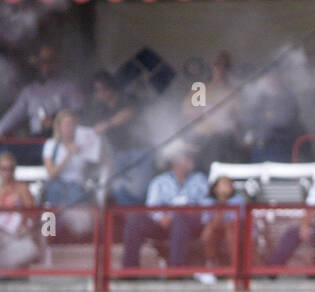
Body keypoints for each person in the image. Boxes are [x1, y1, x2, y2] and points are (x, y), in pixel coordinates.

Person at [121, 142, 208, 272]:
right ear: (175, 160)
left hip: (190, 223)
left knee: (180, 218)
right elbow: (152, 207)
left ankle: (175, 271)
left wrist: (176, 215)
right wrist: (161, 218)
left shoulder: (199, 179)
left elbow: (205, 204)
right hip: (162, 225)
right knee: (135, 219)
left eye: (191, 156)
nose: (190, 159)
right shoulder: (159, 181)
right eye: (186, 156)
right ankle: (129, 270)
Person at [0, 44, 83, 164]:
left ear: (57, 64)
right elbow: (13, 115)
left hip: (59, 140)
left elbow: (79, 113)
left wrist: (56, 121)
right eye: (43, 63)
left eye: (50, 63)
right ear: (38, 66)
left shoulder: (68, 88)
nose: (47, 66)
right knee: (6, 152)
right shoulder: (29, 91)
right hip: (36, 141)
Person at [85, 70, 150, 204]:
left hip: (140, 152)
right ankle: (131, 222)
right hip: (117, 155)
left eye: (102, 89)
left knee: (139, 191)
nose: (99, 94)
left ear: (111, 88)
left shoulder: (128, 98)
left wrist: (107, 124)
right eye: (97, 91)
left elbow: (128, 113)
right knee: (119, 189)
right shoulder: (99, 109)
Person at [181, 50, 241, 170]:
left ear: (229, 69)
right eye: (217, 64)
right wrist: (207, 110)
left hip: (224, 140)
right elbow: (187, 111)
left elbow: (238, 116)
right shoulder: (201, 89)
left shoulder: (234, 91)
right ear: (212, 66)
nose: (221, 68)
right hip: (201, 139)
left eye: (225, 65)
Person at [240, 67, 303, 164]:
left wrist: (273, 116)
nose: (273, 79)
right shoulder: (259, 97)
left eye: (276, 76)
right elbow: (251, 119)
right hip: (260, 147)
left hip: (281, 146)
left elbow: (288, 120)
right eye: (270, 76)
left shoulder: (288, 97)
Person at [41, 109, 101, 207]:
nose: (69, 128)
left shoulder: (84, 143)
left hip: (78, 185)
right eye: (66, 125)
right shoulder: (51, 145)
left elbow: (95, 167)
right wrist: (68, 154)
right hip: (57, 185)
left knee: (76, 195)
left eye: (72, 124)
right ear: (59, 127)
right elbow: (51, 174)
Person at [0, 150, 39, 270]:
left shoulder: (22, 188)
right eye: (4, 168)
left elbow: (32, 214)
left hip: (17, 234)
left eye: (11, 168)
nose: (8, 172)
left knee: (28, 248)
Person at [199, 174, 245, 270]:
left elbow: (236, 221)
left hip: (234, 230)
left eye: (229, 184)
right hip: (215, 229)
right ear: (215, 188)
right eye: (224, 184)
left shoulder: (238, 200)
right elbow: (205, 221)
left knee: (231, 232)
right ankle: (211, 264)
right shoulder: (207, 202)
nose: (227, 186)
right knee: (208, 232)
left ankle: (235, 267)